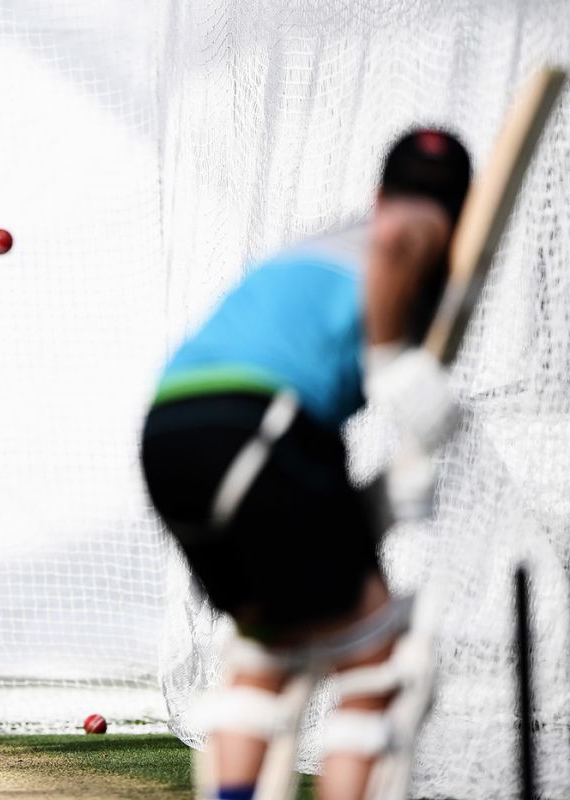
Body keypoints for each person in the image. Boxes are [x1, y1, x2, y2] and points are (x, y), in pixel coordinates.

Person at [141, 130, 471, 800]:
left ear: (376, 188)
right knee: (381, 658)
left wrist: (367, 505)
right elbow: (402, 232)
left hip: (171, 436)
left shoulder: (316, 244)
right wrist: (390, 363)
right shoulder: (409, 233)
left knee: (270, 651)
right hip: (253, 421)